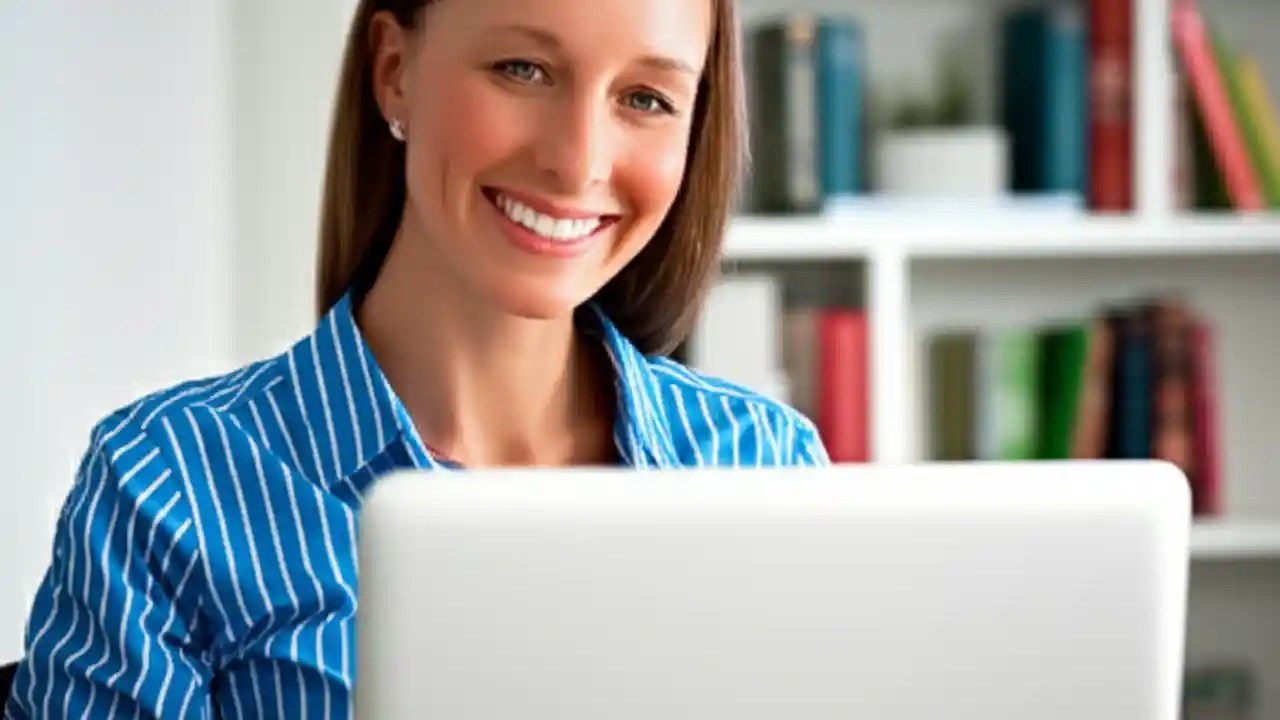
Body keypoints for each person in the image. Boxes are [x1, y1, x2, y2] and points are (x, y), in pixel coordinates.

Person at [4, 0, 828, 716]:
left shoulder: (767, 468)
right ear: (395, 70)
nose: (579, 161)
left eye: (646, 98)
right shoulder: (168, 484)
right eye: (523, 68)